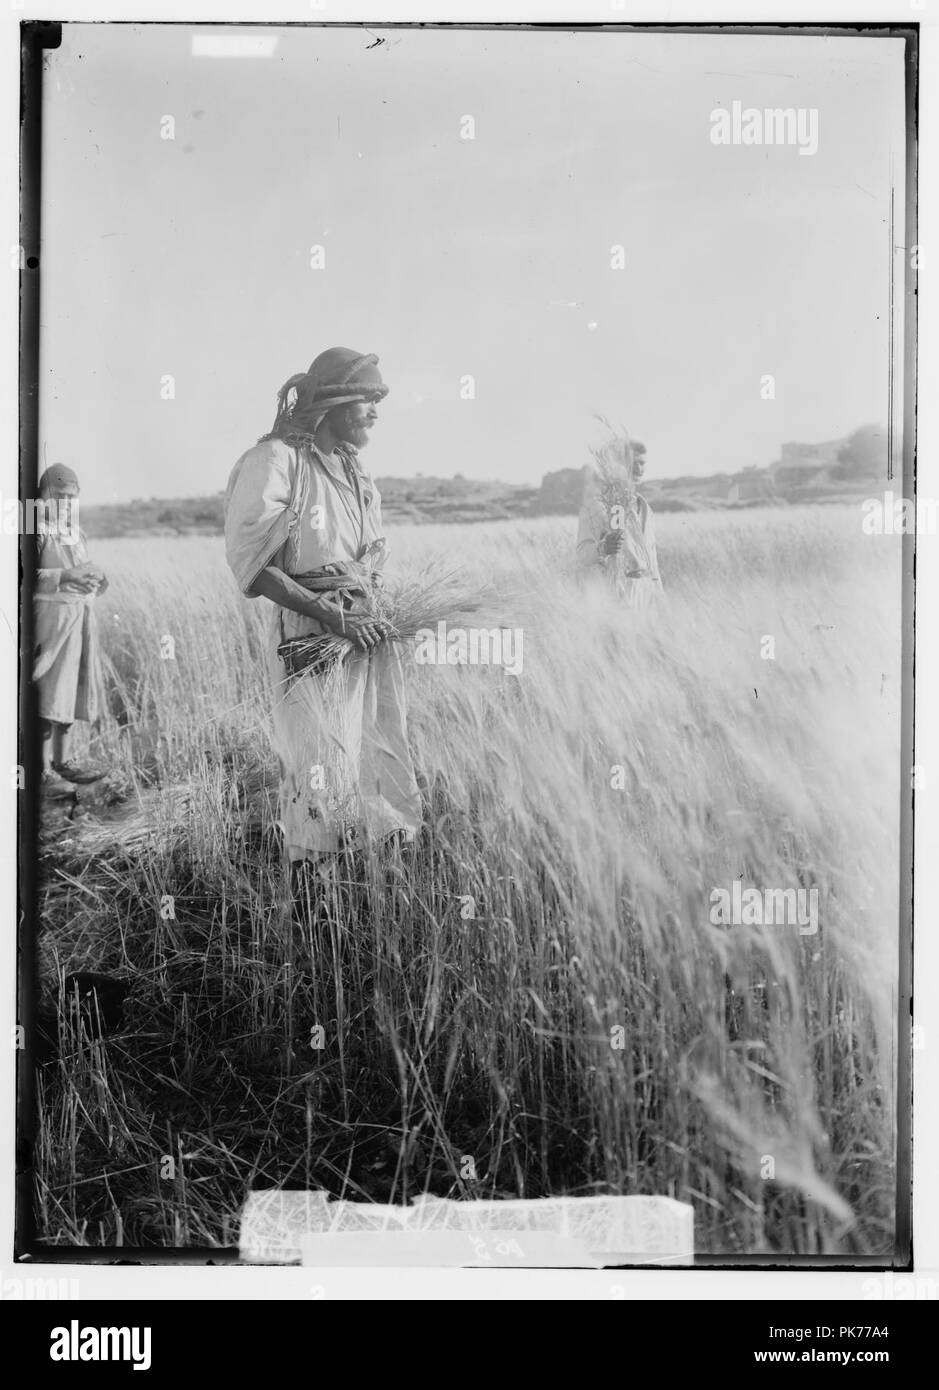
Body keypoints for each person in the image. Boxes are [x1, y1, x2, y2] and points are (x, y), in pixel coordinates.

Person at [224, 347, 421, 871]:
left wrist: (371, 610)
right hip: (311, 634)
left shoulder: (358, 475)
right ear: (332, 403)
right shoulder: (276, 462)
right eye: (366, 400)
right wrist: (333, 615)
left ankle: (360, 897)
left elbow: (370, 557)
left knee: (371, 756)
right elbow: (252, 565)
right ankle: (313, 912)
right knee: (316, 768)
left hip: (362, 633)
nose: (375, 413)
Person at [33, 464, 109, 795]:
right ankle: (41, 769)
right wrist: (64, 577)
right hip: (49, 620)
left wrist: (97, 580)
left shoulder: (78, 534)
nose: (64, 503)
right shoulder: (33, 531)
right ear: (42, 496)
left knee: (69, 691)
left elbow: (85, 576)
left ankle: (63, 762)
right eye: (58, 496)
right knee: (46, 693)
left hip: (80, 619)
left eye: (71, 498)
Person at [576, 436, 663, 608]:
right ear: (617, 464)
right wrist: (602, 548)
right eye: (634, 462)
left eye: (642, 463)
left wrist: (660, 599)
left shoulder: (646, 509)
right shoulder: (597, 505)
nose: (639, 468)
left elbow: (653, 561)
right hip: (618, 594)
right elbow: (582, 553)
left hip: (647, 593)